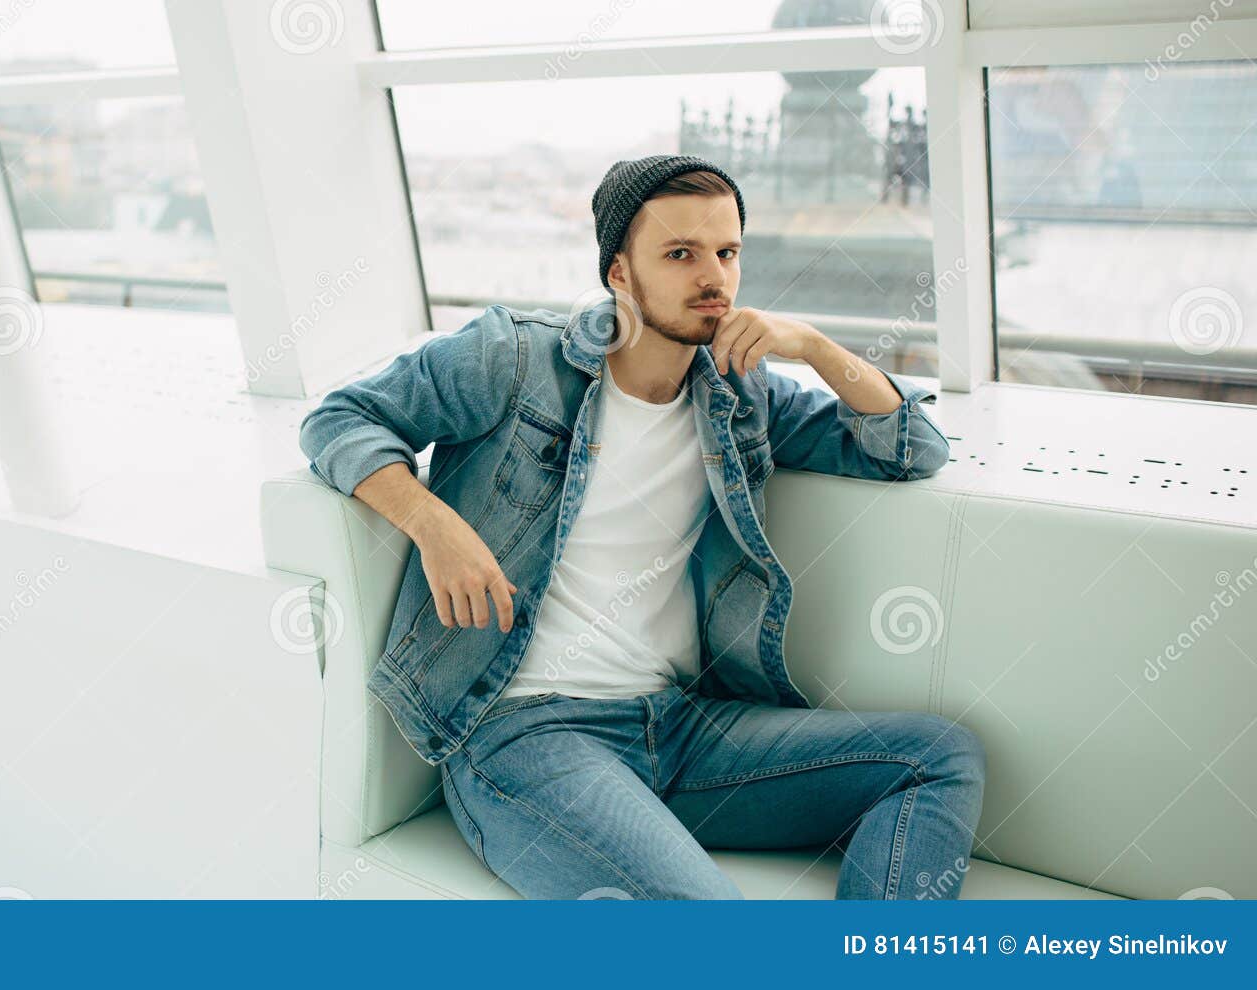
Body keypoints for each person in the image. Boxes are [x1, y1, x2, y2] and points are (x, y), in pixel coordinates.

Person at [298, 154, 984, 899]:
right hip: (527, 737)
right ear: (619, 271)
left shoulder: (739, 395)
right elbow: (339, 418)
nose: (712, 278)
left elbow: (911, 450)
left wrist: (814, 347)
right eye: (680, 254)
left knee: (939, 756)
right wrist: (434, 525)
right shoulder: (515, 356)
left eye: (726, 253)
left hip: (682, 730)